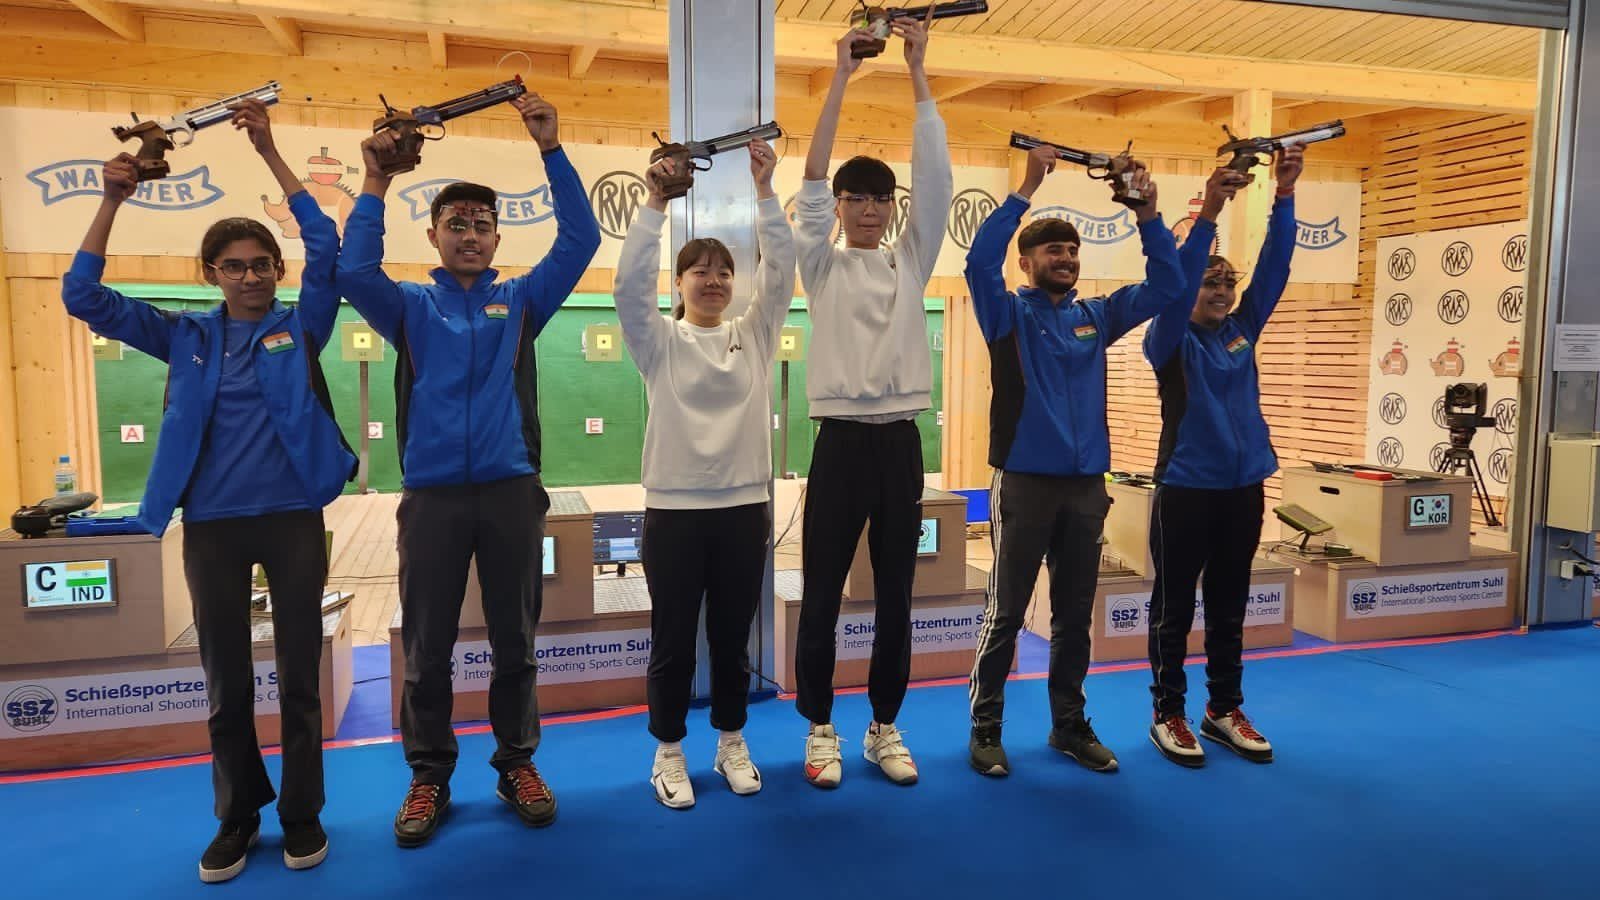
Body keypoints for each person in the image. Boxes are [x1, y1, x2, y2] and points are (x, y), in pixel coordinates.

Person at [60, 101, 355, 883]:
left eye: (262, 265)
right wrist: (112, 198)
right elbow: (83, 297)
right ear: (212, 275)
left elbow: (325, 245)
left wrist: (268, 151)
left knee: (299, 680)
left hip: (293, 521)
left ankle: (301, 815)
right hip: (213, 529)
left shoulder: (302, 327)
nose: (252, 276)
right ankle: (237, 818)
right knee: (226, 687)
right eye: (235, 266)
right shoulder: (184, 336)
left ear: (275, 273)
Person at [336, 93, 601, 846]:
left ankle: (517, 761)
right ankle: (428, 776)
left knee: (516, 639)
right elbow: (354, 266)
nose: (473, 234)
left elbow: (577, 241)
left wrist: (551, 148)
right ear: (436, 234)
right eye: (458, 224)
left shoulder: (520, 302)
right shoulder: (409, 308)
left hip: (512, 491)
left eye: (484, 225)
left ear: (494, 237)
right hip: (433, 500)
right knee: (426, 646)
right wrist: (375, 181)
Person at [963, 144, 1185, 778]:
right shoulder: (1005, 313)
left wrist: (1147, 215)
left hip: (1087, 487)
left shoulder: (1097, 315)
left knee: (1073, 619)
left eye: (1071, 250)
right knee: (1005, 613)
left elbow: (1170, 285)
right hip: (1025, 483)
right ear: (1028, 262)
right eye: (1052, 250)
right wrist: (1025, 188)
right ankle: (986, 727)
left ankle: (1068, 726)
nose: (1065, 258)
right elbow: (979, 261)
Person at [790, 10, 952, 789]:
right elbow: (812, 182)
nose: (865, 209)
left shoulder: (909, 263)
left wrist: (919, 67)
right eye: (856, 199)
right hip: (840, 446)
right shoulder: (819, 266)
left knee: (897, 594)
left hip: (899, 447)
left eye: (877, 200)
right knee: (821, 593)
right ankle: (821, 730)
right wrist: (843, 76)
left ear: (891, 209)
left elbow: (938, 179)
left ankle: (885, 726)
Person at [613, 139, 795, 809]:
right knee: (672, 644)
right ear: (680, 283)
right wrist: (656, 204)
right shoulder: (659, 341)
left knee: (730, 640)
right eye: (700, 271)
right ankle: (667, 753)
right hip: (675, 515)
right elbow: (627, 285)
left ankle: (730, 742)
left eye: (724, 271)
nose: (714, 280)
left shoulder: (755, 332)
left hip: (743, 512)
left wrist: (768, 191)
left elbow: (782, 270)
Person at [1143, 146, 1304, 768]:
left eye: (1226, 282)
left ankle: (1221, 708)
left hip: (1243, 487)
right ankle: (1168, 713)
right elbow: (1177, 283)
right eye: (1210, 282)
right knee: (1174, 608)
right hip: (1184, 488)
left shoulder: (1243, 329)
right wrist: (1209, 212)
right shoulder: (1169, 339)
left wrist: (1283, 197)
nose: (1221, 290)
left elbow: (1276, 267)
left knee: (1231, 606)